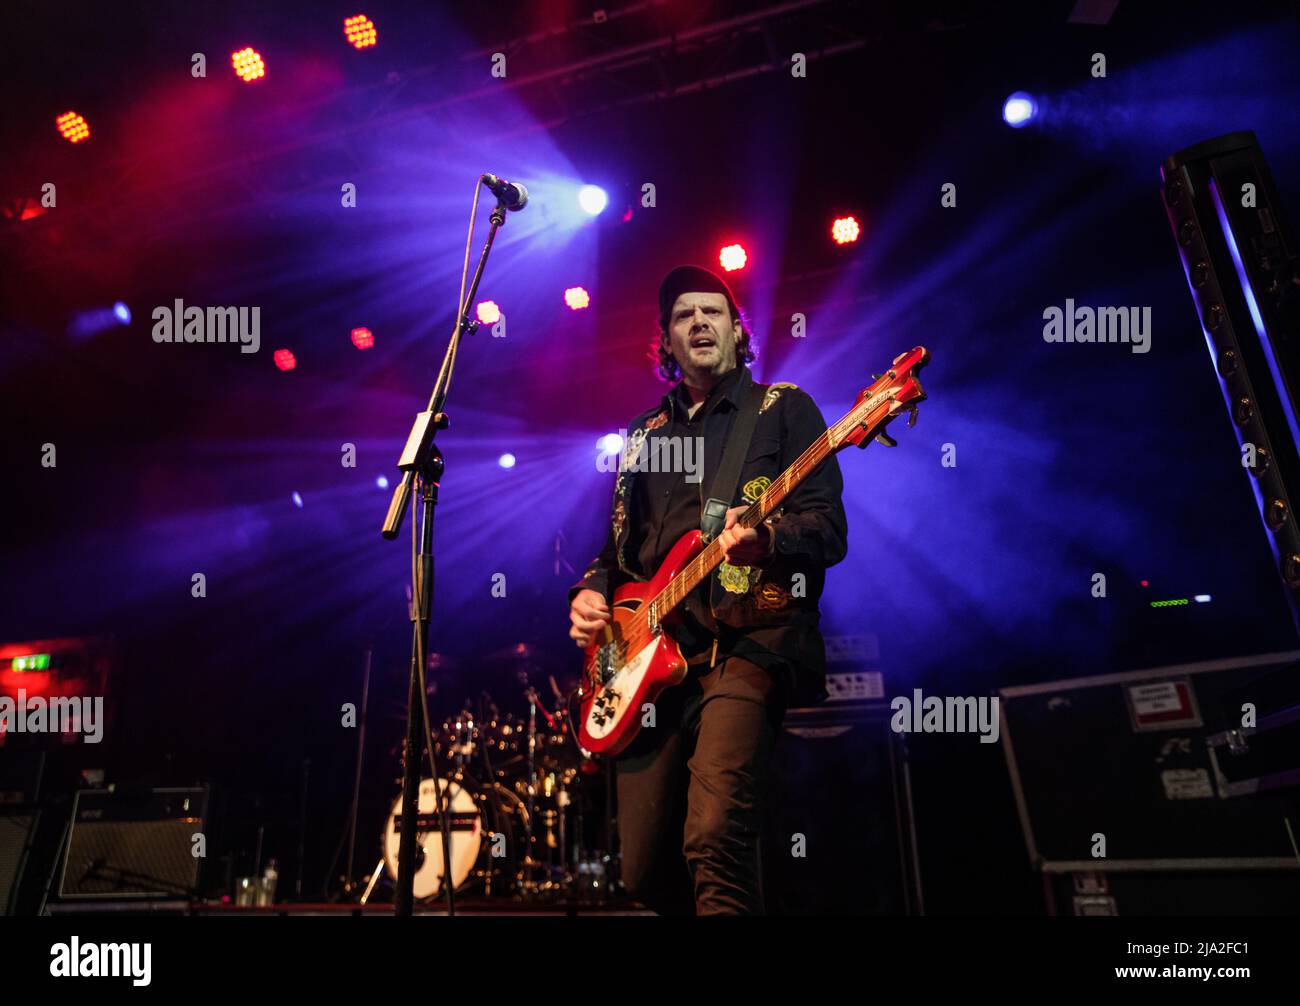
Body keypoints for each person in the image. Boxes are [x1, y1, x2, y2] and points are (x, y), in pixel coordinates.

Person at [568, 264, 847, 914]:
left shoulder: (781, 411)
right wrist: (591, 592)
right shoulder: (645, 437)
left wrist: (769, 542)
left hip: (743, 649)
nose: (699, 322)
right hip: (644, 667)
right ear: (664, 340)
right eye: (684, 315)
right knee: (642, 871)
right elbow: (615, 552)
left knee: (715, 836)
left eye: (713, 311)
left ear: (736, 329)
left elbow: (828, 530)